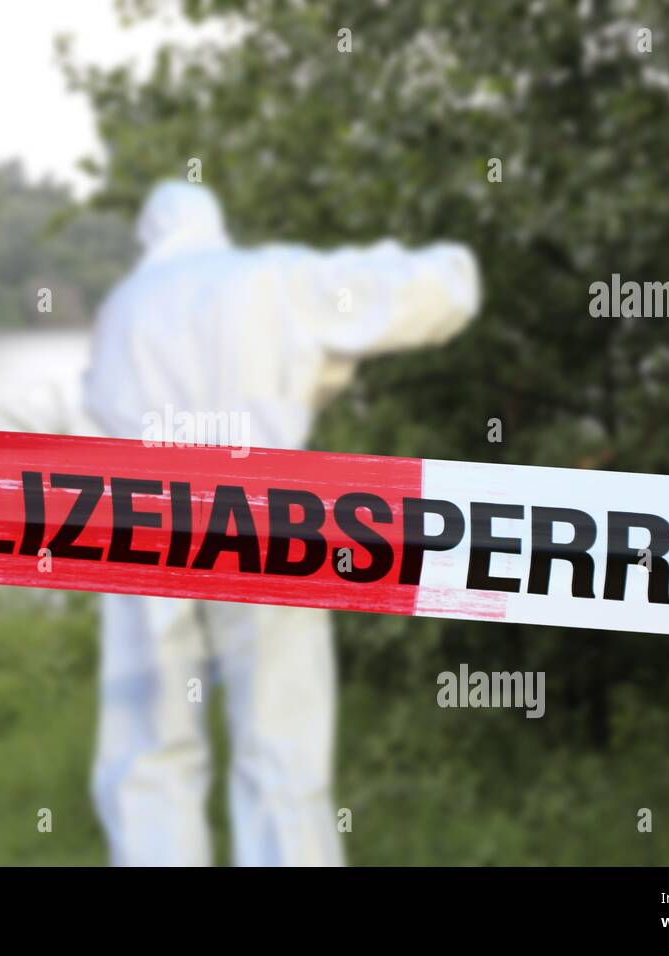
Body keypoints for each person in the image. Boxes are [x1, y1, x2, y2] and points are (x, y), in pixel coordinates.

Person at [82, 180, 481, 866]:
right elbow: (396, 295)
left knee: (148, 746)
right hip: (264, 517)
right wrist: (455, 268)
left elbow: (96, 411)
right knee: (280, 744)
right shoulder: (266, 278)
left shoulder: (123, 306)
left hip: (138, 522)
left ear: (148, 235)